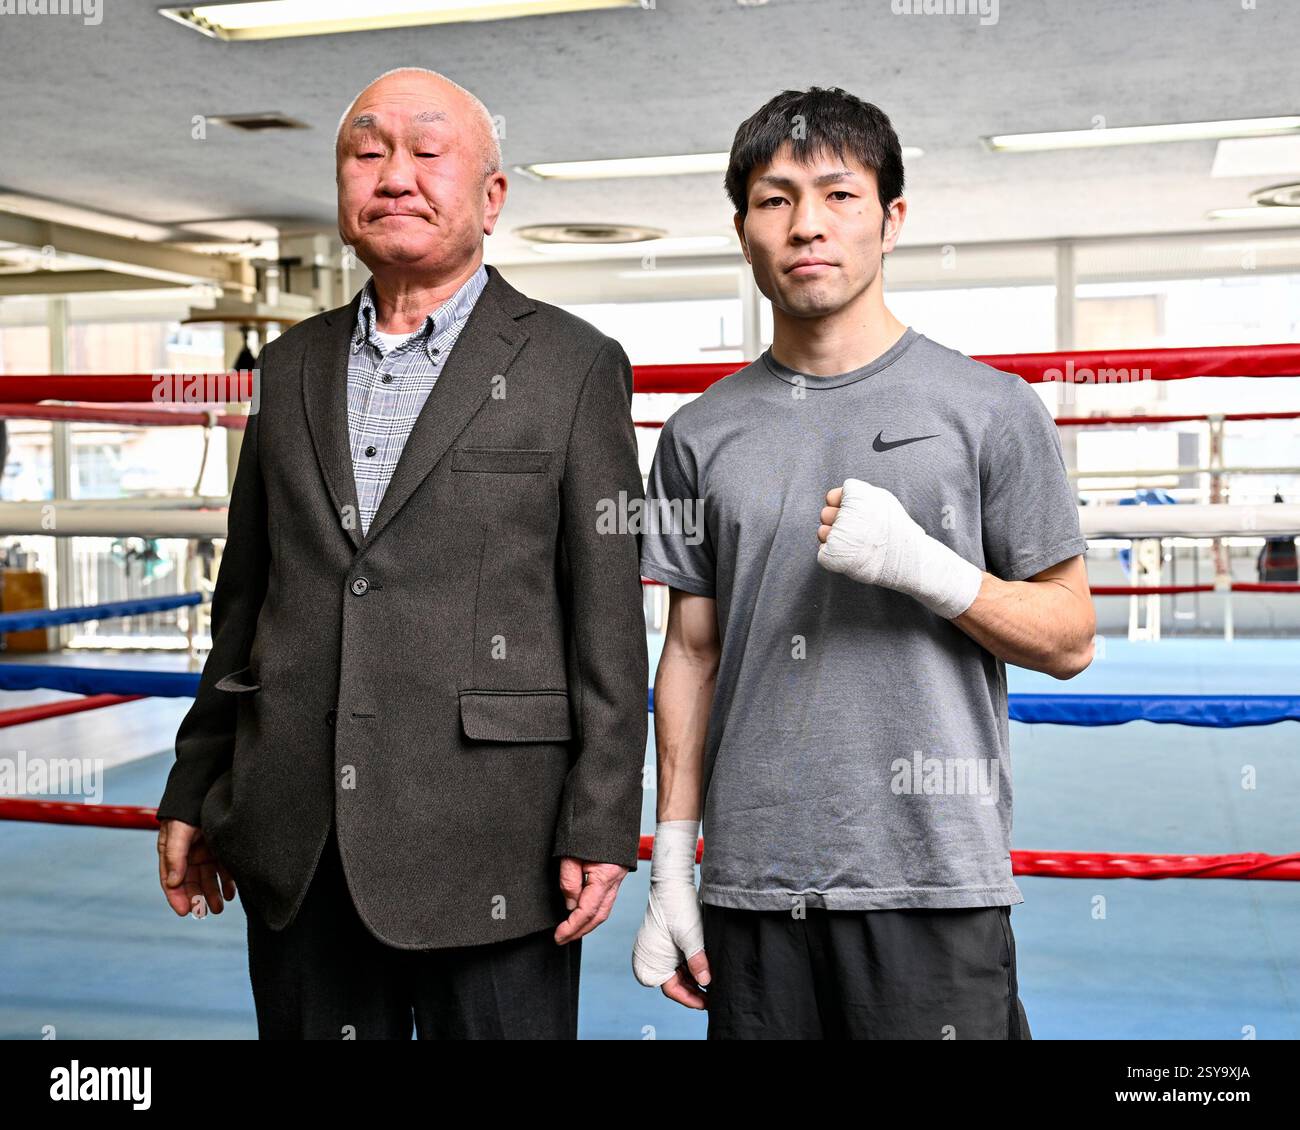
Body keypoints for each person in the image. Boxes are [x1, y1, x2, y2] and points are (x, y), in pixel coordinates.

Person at [155, 67, 647, 1040]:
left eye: (428, 152)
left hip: (494, 841)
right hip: (295, 831)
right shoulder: (290, 364)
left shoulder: (571, 363)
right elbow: (245, 601)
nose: (394, 174)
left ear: (492, 196)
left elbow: (606, 616)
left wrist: (600, 820)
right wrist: (193, 785)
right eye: (366, 151)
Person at [633, 86, 1095, 1039]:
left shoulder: (990, 409)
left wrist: (931, 570)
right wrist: (673, 857)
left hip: (931, 881)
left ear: (890, 222)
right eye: (775, 198)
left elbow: (1070, 638)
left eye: (839, 195)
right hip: (753, 892)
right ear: (743, 229)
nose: (807, 225)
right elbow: (691, 652)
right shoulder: (697, 433)